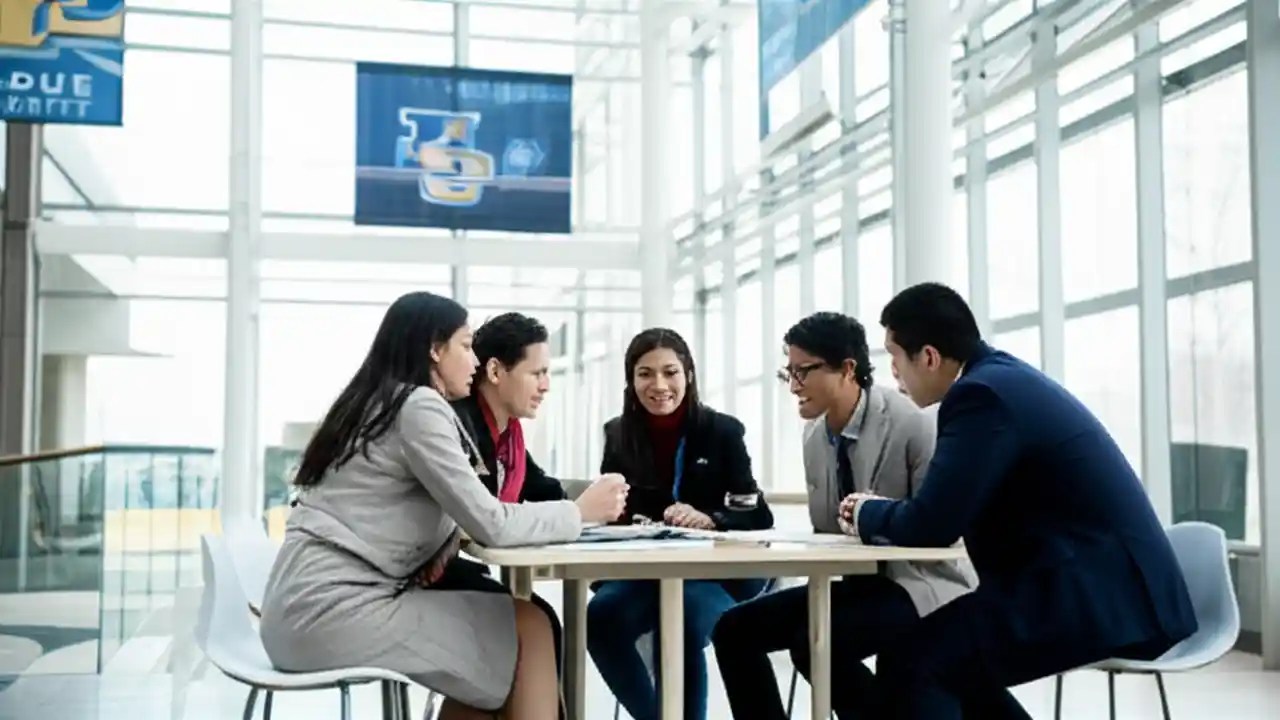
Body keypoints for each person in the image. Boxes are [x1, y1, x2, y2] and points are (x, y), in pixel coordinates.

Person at [257, 291, 628, 720]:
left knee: (498, 650)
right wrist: (579, 513)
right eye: (466, 346)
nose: (474, 362)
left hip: (302, 609)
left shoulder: (376, 402)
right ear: (435, 349)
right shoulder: (419, 406)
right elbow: (493, 523)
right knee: (528, 627)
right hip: (336, 612)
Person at [840, 283, 1197, 720]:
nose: (892, 374)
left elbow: (932, 521)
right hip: (1094, 584)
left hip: (1095, 595)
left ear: (929, 357)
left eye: (894, 357)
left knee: (919, 661)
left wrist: (865, 511)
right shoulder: (1001, 379)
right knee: (941, 659)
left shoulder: (980, 397)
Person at [712, 312, 976, 720]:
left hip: (923, 583)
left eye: (804, 371)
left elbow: (938, 529)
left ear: (847, 369)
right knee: (733, 631)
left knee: (815, 643)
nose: (794, 385)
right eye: (789, 372)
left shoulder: (911, 423)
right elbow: (829, 528)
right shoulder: (815, 435)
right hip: (863, 584)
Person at [587, 328, 774, 720]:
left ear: (688, 374)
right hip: (643, 572)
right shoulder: (618, 435)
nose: (659, 385)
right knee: (600, 619)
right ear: (630, 379)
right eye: (645, 373)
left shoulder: (723, 431)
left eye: (670, 372)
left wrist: (713, 518)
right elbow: (612, 510)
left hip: (715, 576)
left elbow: (757, 514)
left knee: (683, 619)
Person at [450, 311, 570, 704]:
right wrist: (580, 511)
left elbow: (543, 490)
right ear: (497, 371)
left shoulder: (508, 437)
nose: (546, 386)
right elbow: (485, 516)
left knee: (541, 619)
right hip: (427, 574)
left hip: (457, 566)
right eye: (537, 373)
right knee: (539, 622)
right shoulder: (459, 425)